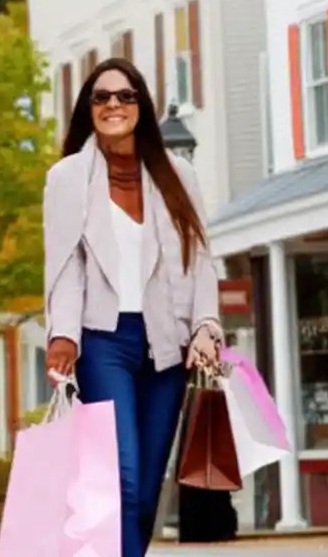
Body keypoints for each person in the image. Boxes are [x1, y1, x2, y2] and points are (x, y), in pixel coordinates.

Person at [43, 57, 224, 557]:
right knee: (120, 477)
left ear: (141, 105)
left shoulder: (177, 175)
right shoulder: (67, 178)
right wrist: (63, 334)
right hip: (103, 342)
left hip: (167, 343)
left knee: (145, 493)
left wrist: (206, 325)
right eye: (101, 97)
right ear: (89, 108)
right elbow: (65, 265)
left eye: (125, 96)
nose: (113, 105)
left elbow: (200, 258)